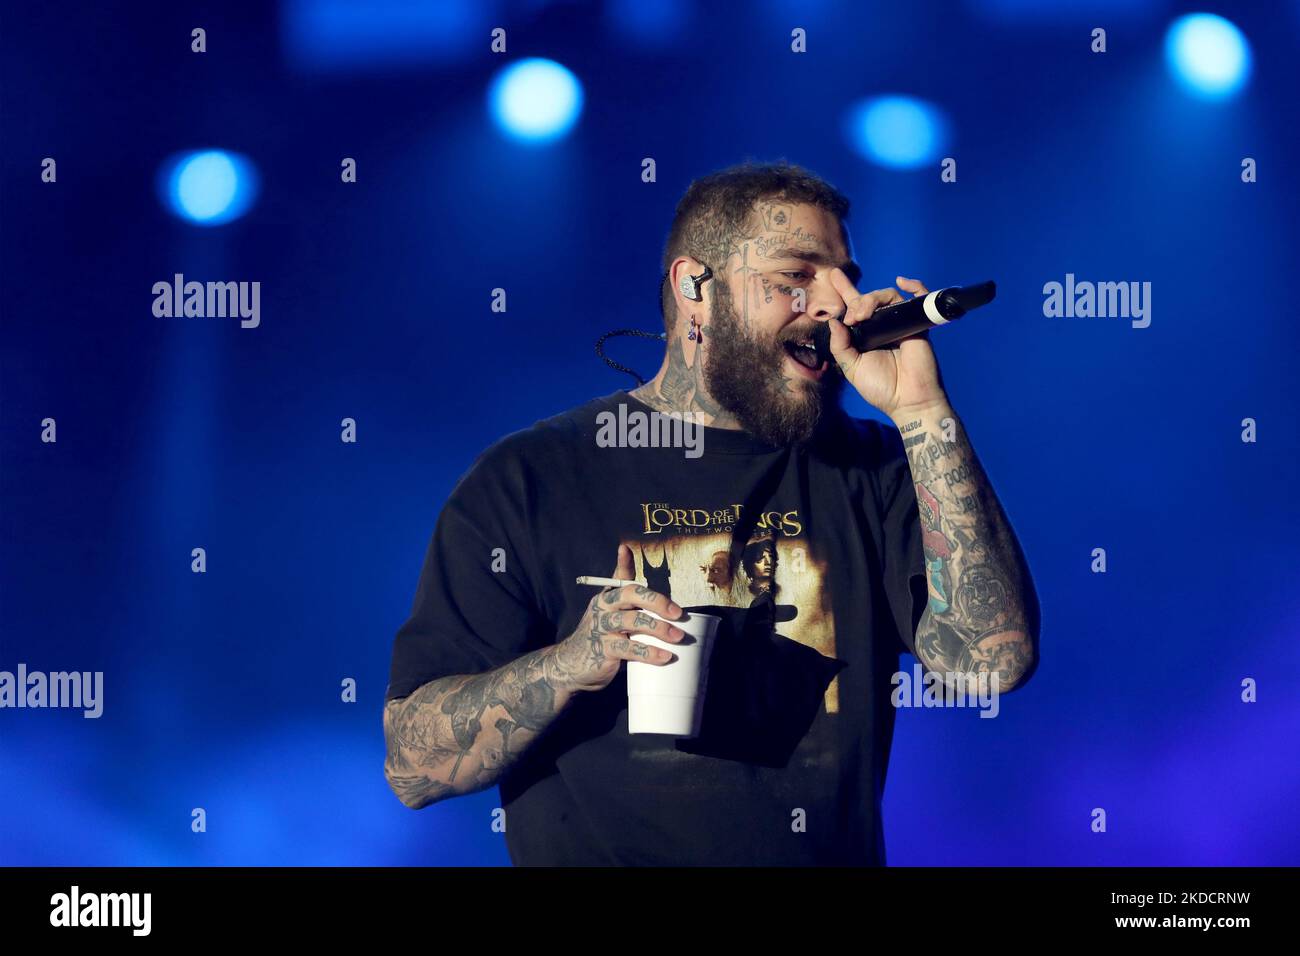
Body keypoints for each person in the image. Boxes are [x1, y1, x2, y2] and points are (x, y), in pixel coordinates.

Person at [383, 161, 1040, 865]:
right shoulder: (528, 480)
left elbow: (989, 665)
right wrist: (574, 662)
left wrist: (923, 413)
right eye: (799, 275)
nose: (838, 303)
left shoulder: (875, 467)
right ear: (695, 288)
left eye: (846, 275)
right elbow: (411, 767)